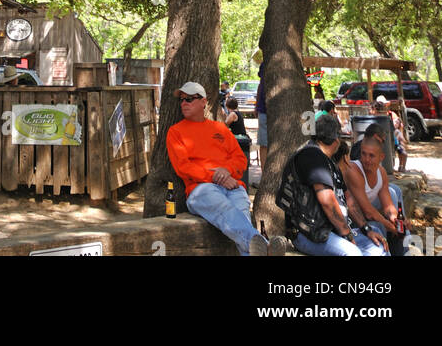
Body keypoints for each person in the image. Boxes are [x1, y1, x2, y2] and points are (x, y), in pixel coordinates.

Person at [166, 81, 287, 256]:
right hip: (201, 189)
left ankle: (263, 249)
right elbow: (183, 167)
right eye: (182, 100)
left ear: (203, 102)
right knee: (229, 211)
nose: (184, 103)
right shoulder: (175, 132)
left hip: (232, 185)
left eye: (190, 99)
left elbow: (240, 159)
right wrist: (216, 176)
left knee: (241, 218)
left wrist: (227, 172)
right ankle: (266, 245)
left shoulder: (220, 128)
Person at [277, 112, 388, 258]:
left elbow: (349, 200)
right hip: (308, 234)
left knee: (377, 242)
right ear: (336, 140)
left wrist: (366, 229)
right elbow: (327, 201)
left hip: (330, 231)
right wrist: (347, 235)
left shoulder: (327, 161)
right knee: (353, 252)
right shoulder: (311, 157)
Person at [343, 125, 407, 257]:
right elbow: (368, 212)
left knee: (399, 226)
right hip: (354, 221)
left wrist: (396, 220)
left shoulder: (381, 172)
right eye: (363, 154)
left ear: (381, 157)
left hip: (367, 215)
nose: (366, 159)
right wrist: (390, 226)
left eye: (371, 156)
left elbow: (388, 206)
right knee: (378, 226)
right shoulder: (354, 170)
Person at [254, 58, 268, 169]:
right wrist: (257, 105)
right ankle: (264, 173)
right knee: (264, 143)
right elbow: (260, 85)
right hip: (263, 108)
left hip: (278, 113)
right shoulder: (264, 64)